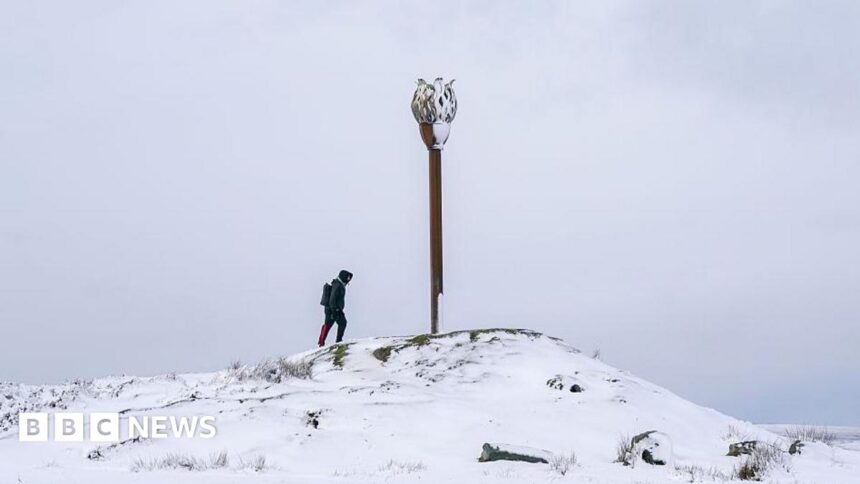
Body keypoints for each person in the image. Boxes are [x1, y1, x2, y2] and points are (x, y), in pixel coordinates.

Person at [318, 270, 353, 347]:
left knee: (328, 324)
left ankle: (321, 342)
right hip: (333, 309)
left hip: (332, 309)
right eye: (348, 277)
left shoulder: (339, 284)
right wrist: (335, 310)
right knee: (342, 323)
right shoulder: (338, 285)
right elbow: (332, 299)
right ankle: (338, 341)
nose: (348, 279)